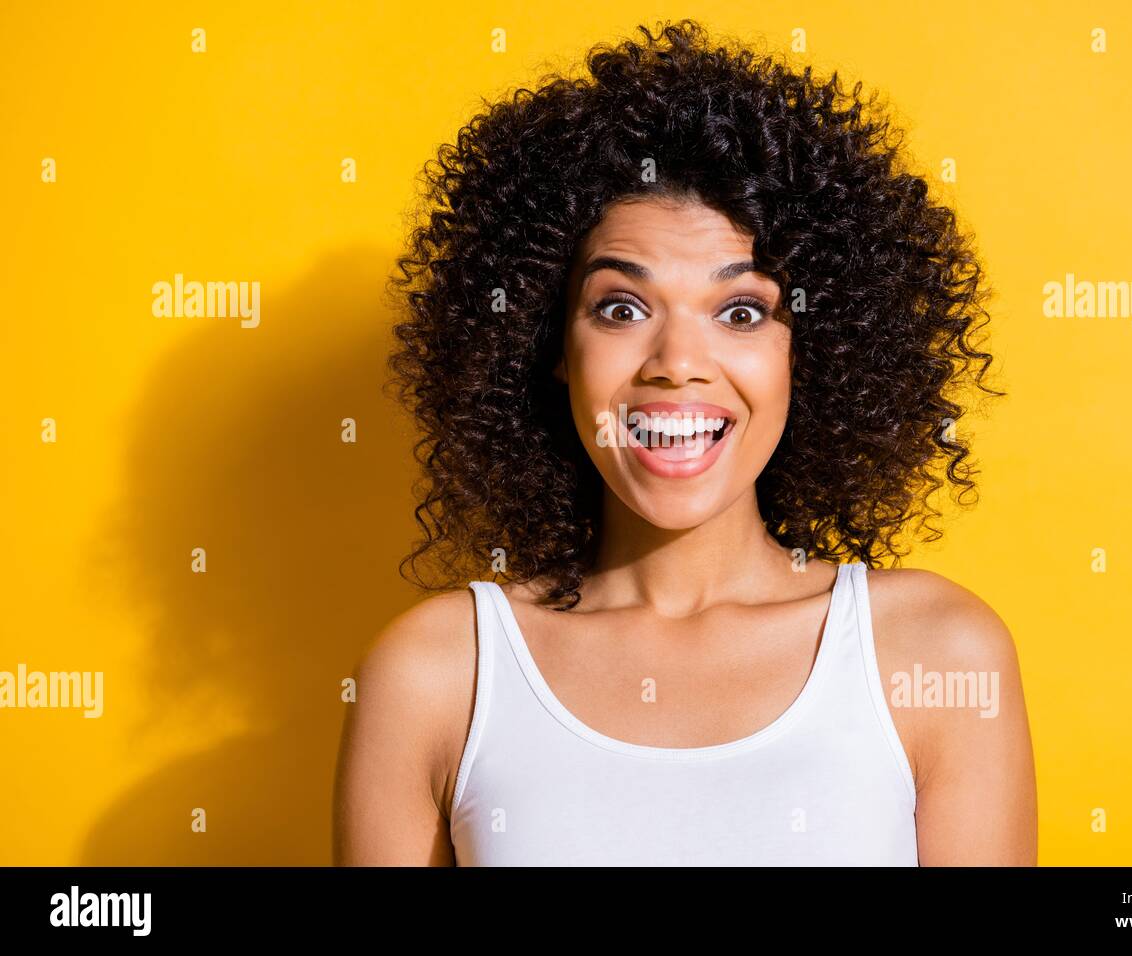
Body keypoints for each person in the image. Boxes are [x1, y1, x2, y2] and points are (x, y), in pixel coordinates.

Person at [334, 19, 1036, 866]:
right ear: (551, 345)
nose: (676, 366)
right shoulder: (437, 674)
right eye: (622, 309)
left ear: (808, 349)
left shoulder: (938, 654)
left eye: (741, 312)